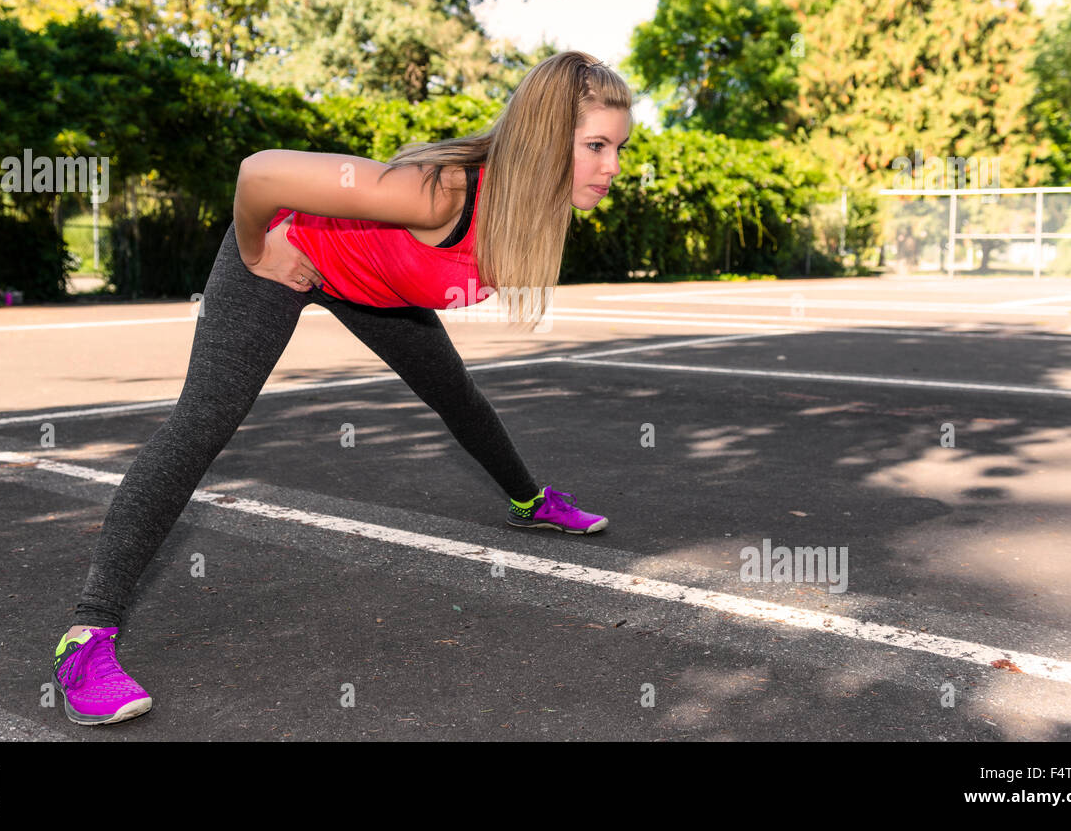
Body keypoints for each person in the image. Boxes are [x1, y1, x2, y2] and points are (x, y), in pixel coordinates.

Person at [52, 51, 634, 725]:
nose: (611, 165)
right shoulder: (436, 191)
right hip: (283, 261)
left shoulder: (530, 208)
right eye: (595, 145)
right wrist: (257, 250)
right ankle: (86, 638)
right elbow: (258, 172)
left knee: (457, 395)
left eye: (617, 147)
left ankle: (530, 500)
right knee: (203, 423)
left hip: (373, 291)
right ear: (543, 135)